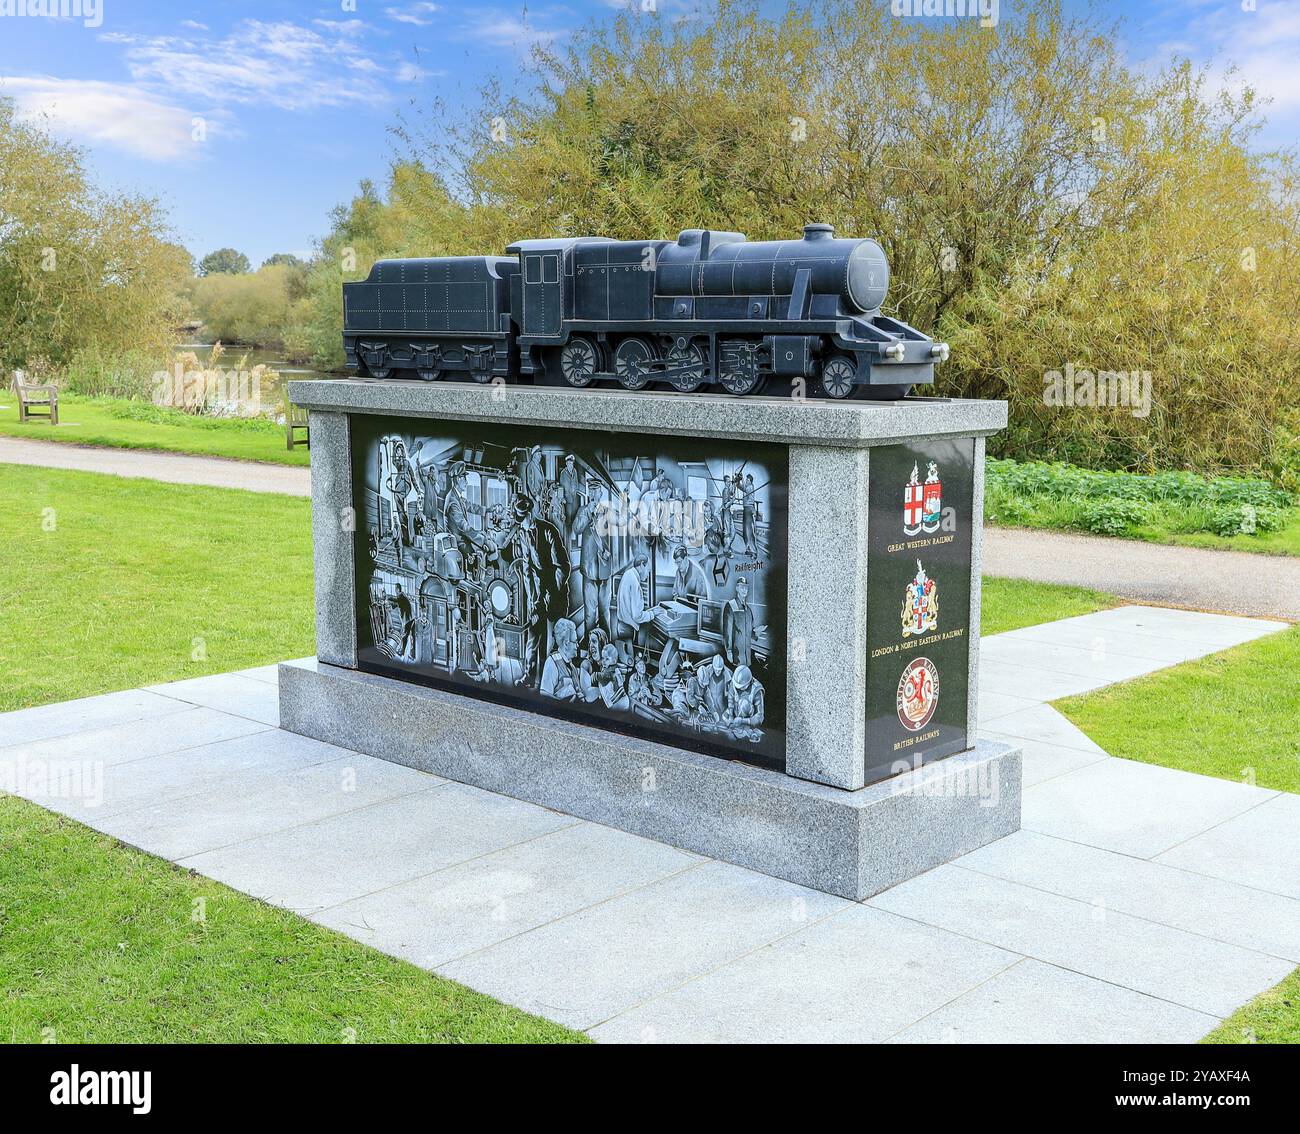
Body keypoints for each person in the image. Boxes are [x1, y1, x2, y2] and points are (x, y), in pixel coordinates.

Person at [508, 492, 569, 688]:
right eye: (519, 520)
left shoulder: (548, 531)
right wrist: (534, 602)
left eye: (524, 519)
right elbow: (527, 569)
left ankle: (552, 682)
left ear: (530, 513)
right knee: (533, 636)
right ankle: (529, 676)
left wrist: (550, 594)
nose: (522, 523)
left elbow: (562, 567)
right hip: (537, 594)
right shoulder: (523, 534)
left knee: (554, 642)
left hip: (556, 594)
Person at [574, 478, 614, 640]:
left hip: (604, 569)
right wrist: (586, 513)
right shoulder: (583, 510)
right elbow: (577, 529)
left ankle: (607, 646)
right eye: (590, 490)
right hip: (589, 569)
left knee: (604, 612)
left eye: (595, 490)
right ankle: (590, 650)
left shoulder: (607, 512)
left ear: (601, 493)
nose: (592, 493)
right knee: (590, 614)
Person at [614, 554, 656, 661]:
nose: (648, 574)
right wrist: (653, 614)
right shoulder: (635, 582)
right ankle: (641, 658)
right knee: (649, 624)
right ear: (642, 565)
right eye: (648, 570)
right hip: (630, 627)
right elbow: (637, 616)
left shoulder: (628, 574)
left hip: (622, 623)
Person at [540, 617, 580, 701]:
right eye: (575, 642)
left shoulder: (572, 667)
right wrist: (562, 703)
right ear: (566, 643)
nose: (577, 646)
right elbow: (544, 694)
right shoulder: (552, 662)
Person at [722, 574, 756, 668]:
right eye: (742, 587)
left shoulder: (748, 610)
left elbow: (750, 632)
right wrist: (729, 651)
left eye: (746, 588)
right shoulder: (731, 606)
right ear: (737, 588)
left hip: (747, 658)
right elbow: (727, 631)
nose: (744, 590)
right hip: (736, 656)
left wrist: (756, 633)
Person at [724, 664, 765, 729]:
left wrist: (742, 721)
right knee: (724, 717)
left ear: (749, 682)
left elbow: (760, 717)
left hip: (748, 719)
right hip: (735, 713)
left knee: (744, 703)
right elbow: (730, 699)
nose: (739, 689)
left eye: (742, 687)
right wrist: (731, 717)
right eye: (737, 687)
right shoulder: (734, 682)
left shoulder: (756, 690)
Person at [695, 653, 731, 721]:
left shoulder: (727, 675)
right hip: (709, 703)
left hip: (722, 705)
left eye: (719, 670)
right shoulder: (708, 670)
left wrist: (727, 710)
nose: (717, 671)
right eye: (716, 669)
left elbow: (730, 695)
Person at [559, 454, 582, 542]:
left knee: (574, 516)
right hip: (566, 499)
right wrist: (562, 498)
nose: (570, 465)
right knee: (568, 518)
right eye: (569, 463)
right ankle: (567, 538)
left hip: (573, 498)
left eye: (571, 463)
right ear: (566, 464)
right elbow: (561, 487)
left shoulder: (575, 471)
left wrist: (575, 491)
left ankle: (572, 536)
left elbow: (576, 483)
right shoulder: (563, 473)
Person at [741, 473, 758, 556]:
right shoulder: (747, 486)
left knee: (749, 531)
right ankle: (748, 549)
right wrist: (740, 480)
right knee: (745, 531)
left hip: (749, 508)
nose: (747, 481)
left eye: (748, 480)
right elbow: (742, 487)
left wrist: (740, 480)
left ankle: (753, 551)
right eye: (746, 480)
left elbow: (744, 488)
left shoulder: (750, 487)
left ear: (751, 481)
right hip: (745, 508)